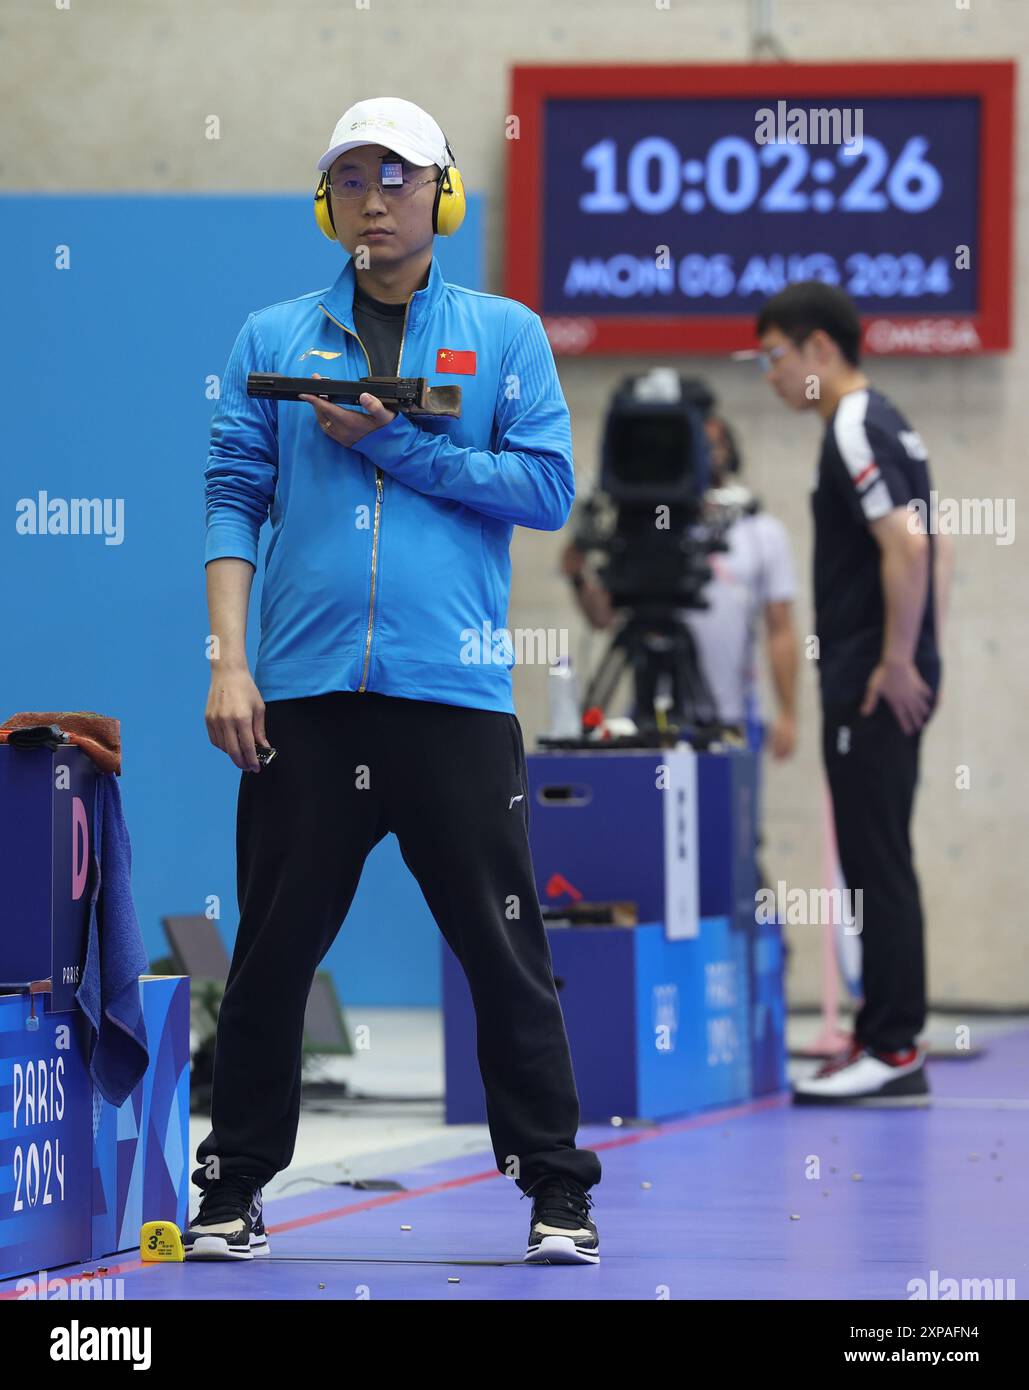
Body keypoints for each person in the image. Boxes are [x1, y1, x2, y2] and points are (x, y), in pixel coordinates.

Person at [188, 97, 601, 1264]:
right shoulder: (272, 335)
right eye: (352, 178)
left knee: (505, 951)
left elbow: (544, 491)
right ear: (328, 201)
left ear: (443, 195)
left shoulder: (506, 335)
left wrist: (395, 444)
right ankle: (232, 1187)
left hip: (455, 700)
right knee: (269, 957)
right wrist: (232, 661)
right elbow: (232, 500)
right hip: (307, 701)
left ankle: (559, 1193)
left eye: (398, 176)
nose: (375, 198)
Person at [755, 280, 954, 1105]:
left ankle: (893, 1047)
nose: (768, 377)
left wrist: (899, 662)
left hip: (871, 676)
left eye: (774, 358)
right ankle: (885, 1036)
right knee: (878, 854)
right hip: (883, 668)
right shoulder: (885, 420)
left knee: (877, 860)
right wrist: (920, 656)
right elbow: (934, 549)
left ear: (819, 349)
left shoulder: (851, 423)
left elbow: (906, 548)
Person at [562, 412, 800, 763]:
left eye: (712, 445)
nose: (704, 455)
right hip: (648, 714)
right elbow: (602, 619)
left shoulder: (761, 531)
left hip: (729, 716)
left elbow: (780, 627)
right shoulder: (645, 529)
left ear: (729, 452)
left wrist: (788, 712)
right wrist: (578, 575)